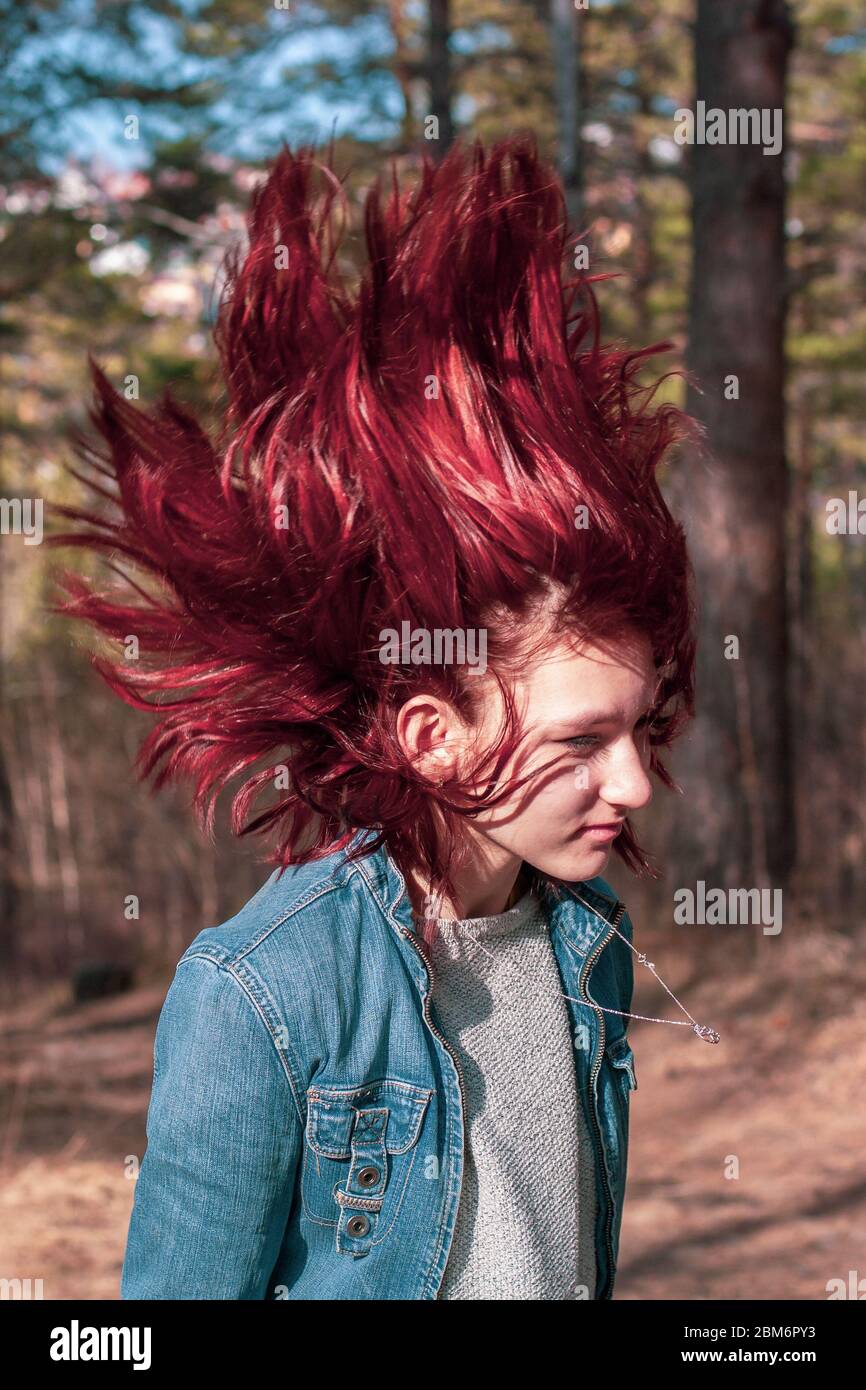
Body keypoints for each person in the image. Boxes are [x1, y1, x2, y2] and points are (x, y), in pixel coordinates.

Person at [47, 132, 701, 1300]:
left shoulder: (584, 943)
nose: (637, 783)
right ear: (427, 736)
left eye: (642, 729)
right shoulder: (262, 991)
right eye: (579, 741)